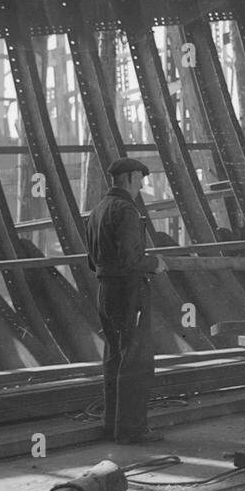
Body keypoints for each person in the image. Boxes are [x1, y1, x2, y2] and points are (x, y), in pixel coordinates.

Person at [85, 157, 163, 443]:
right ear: (129, 178)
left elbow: (92, 262)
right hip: (128, 291)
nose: (142, 185)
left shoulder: (98, 211)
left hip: (105, 290)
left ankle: (112, 426)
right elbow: (132, 260)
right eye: (140, 179)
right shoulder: (126, 210)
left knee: (114, 357)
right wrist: (154, 263)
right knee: (135, 360)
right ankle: (131, 431)